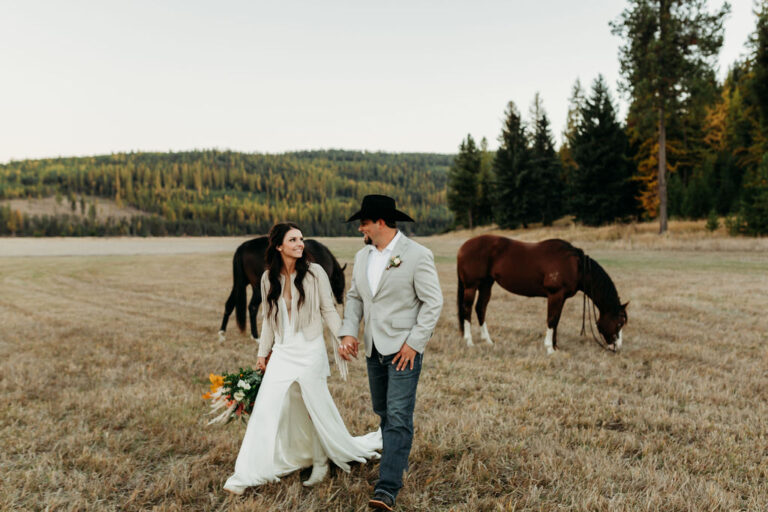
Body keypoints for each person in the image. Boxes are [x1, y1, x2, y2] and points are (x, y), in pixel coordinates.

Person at [224, 222, 381, 495]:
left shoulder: (315, 272)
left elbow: (328, 310)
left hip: (310, 351)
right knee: (265, 408)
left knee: (314, 407)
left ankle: (320, 463)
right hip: (283, 352)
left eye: (301, 239)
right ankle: (248, 471)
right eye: (293, 239)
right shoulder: (267, 278)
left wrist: (344, 336)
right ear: (279, 246)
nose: (300, 244)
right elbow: (269, 323)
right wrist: (263, 355)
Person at [338, 195, 443, 511]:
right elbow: (355, 297)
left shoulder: (417, 255)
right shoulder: (362, 256)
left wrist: (414, 344)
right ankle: (397, 461)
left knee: (398, 415)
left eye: (364, 222)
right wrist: (348, 331)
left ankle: (387, 488)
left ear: (380, 222)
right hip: (373, 348)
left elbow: (432, 302)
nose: (361, 229)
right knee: (383, 411)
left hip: (403, 350)